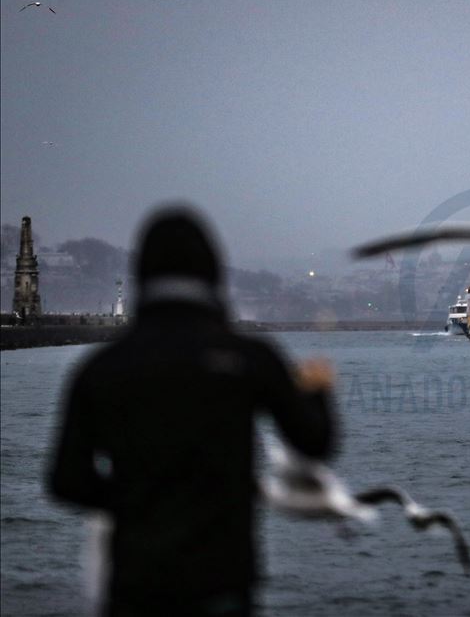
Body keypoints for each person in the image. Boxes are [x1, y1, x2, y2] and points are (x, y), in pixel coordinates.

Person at [47, 205, 338, 616]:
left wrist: (137, 500)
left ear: (142, 276)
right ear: (212, 273)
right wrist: (318, 391)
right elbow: (314, 443)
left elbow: (65, 480)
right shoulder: (248, 358)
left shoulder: (100, 368)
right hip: (220, 581)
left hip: (135, 585)